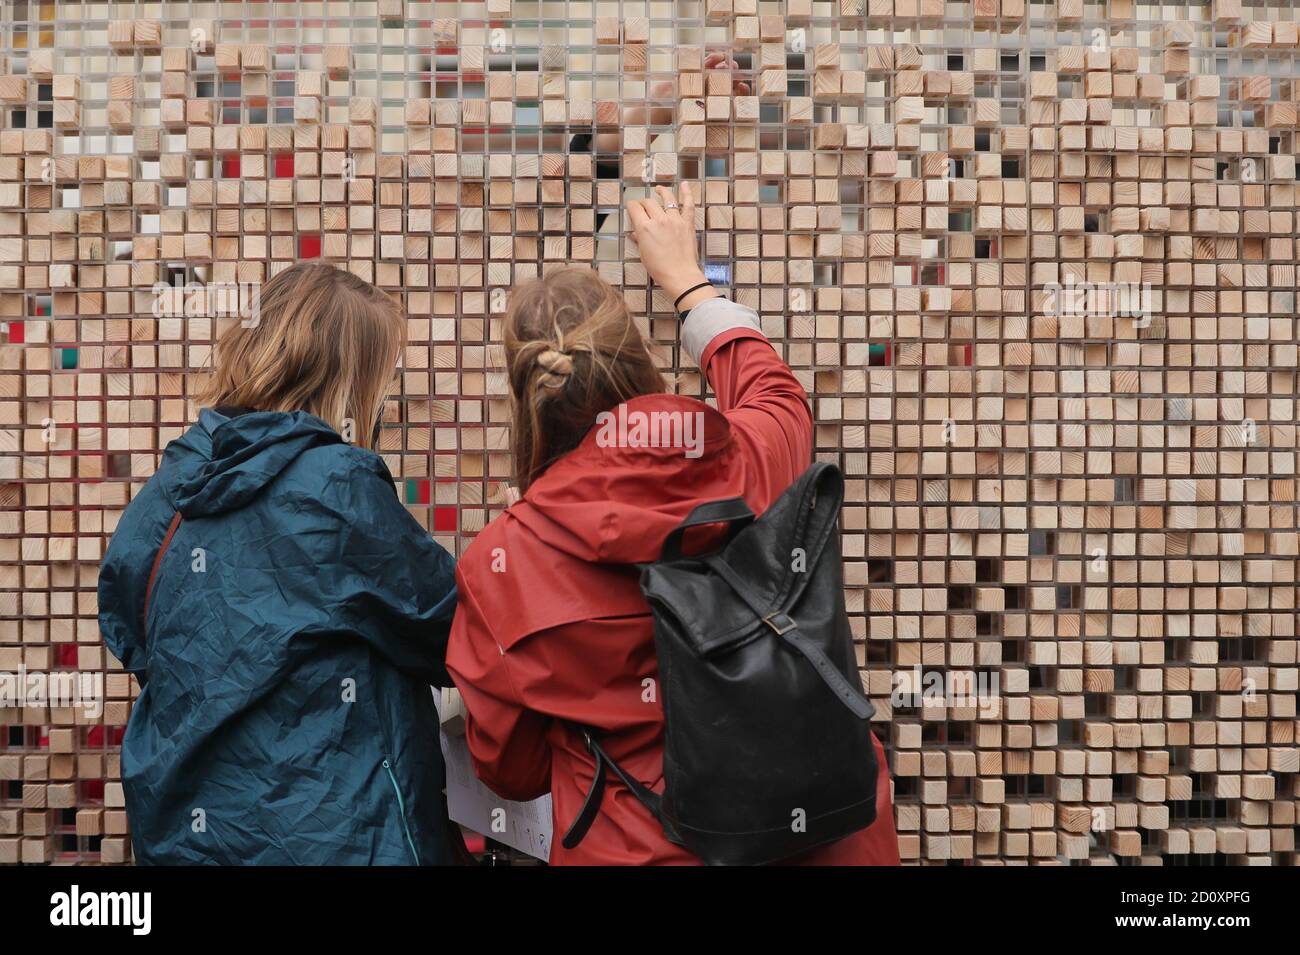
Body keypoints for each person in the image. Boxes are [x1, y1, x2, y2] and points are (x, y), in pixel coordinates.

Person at [446, 186, 901, 865]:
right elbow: (776, 396)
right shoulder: (743, 461)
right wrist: (688, 282)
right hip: (826, 839)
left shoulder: (500, 562)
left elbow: (509, 769)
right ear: (635, 359)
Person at [98, 262, 459, 865]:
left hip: (187, 840)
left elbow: (131, 635)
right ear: (346, 379)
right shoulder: (336, 486)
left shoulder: (166, 493)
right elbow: (451, 629)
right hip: (340, 836)